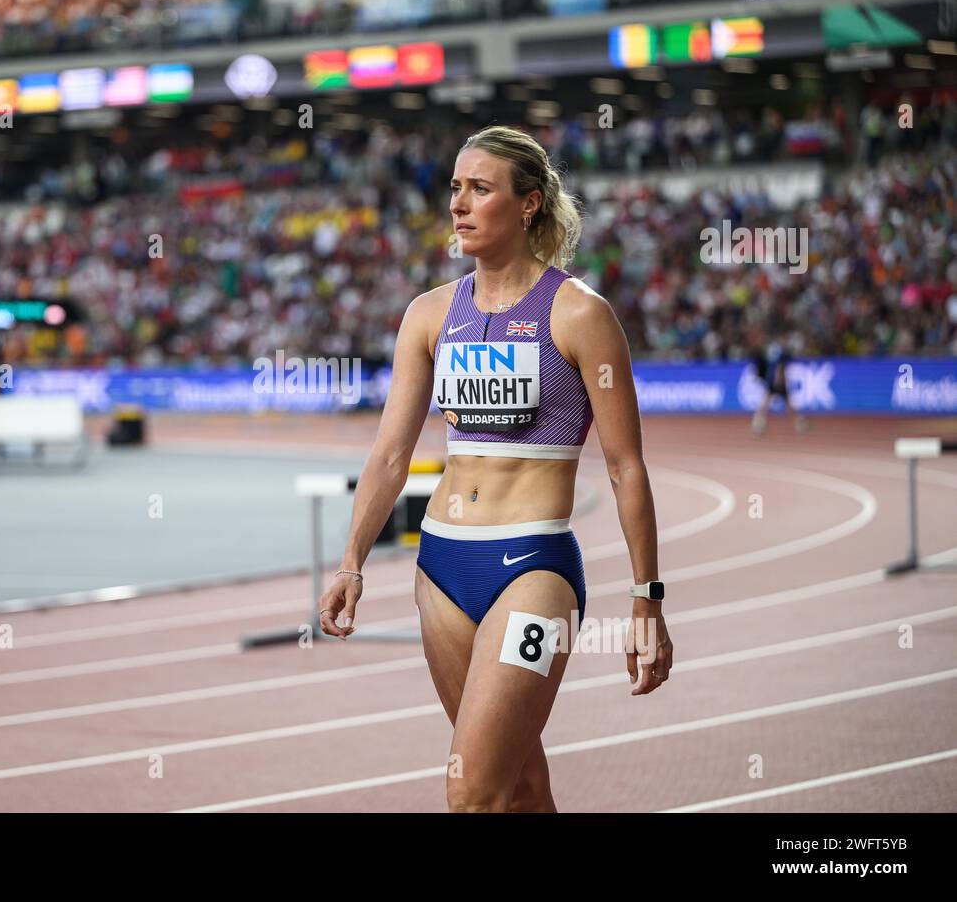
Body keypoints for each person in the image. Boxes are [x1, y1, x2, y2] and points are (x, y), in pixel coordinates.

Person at [318, 125, 671, 812]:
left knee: (472, 792)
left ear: (529, 203)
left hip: (534, 569)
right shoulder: (428, 315)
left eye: (480, 189)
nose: (459, 203)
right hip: (443, 567)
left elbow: (627, 466)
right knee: (521, 785)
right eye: (455, 188)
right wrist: (352, 562)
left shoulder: (579, 314)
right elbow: (391, 454)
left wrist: (646, 598)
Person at [749, 335, 809, 435]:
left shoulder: (771, 355)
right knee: (781, 403)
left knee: (769, 402)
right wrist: (779, 380)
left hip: (773, 382)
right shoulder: (780, 356)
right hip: (778, 383)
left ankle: (758, 422)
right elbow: (779, 369)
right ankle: (799, 422)